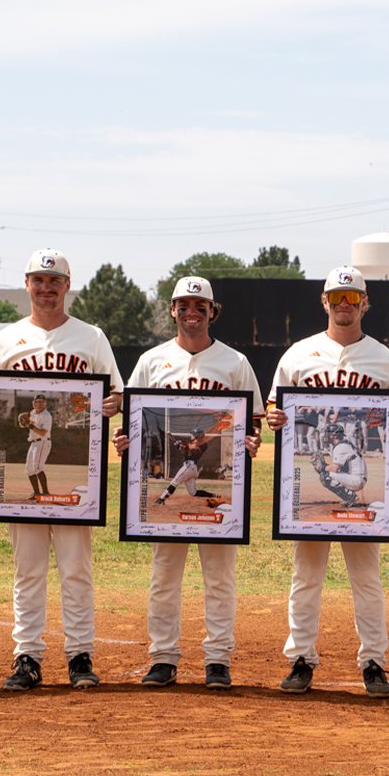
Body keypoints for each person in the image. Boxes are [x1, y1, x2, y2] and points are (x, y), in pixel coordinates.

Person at [0, 250, 122, 692]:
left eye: (54, 280)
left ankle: (79, 655)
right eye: (39, 279)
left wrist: (114, 403)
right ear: (28, 284)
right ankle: (27, 656)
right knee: (28, 568)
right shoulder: (4, 340)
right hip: (27, 453)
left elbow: (117, 394)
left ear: (67, 285)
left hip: (81, 470)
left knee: (76, 567)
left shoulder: (91, 338)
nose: (46, 288)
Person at [265, 267, 389, 698]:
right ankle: (301, 658)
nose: (344, 304)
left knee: (366, 576)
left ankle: (373, 662)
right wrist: (275, 417)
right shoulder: (298, 355)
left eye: (352, 297)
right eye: (337, 297)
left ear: (365, 302)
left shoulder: (384, 359)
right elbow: (276, 409)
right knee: (306, 574)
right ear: (325, 302)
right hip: (312, 482)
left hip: (363, 472)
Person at [115, 277, 262, 691]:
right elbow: (132, 420)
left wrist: (252, 441)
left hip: (208, 469)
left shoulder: (234, 363)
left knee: (220, 575)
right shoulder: (150, 361)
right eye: (183, 304)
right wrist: (122, 439)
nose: (191, 311)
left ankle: (218, 658)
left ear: (212, 311)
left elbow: (251, 422)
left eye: (200, 305)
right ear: (172, 310)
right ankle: (163, 657)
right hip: (186, 469)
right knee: (164, 573)